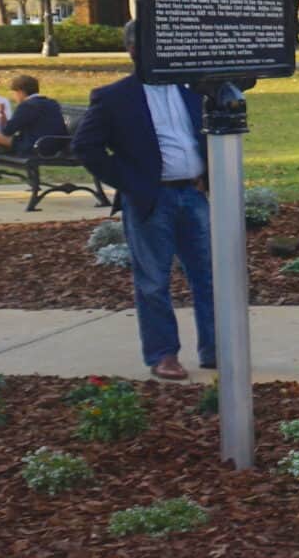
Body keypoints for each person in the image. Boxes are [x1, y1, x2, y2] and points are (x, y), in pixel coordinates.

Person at [72, 46, 214, 383]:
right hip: (151, 200)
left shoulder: (193, 88)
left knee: (210, 277)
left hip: (194, 196)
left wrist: (207, 172)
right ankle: (163, 354)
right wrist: (130, 182)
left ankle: (215, 349)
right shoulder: (114, 97)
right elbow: (86, 146)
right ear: (136, 49)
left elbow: (206, 132)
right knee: (153, 281)